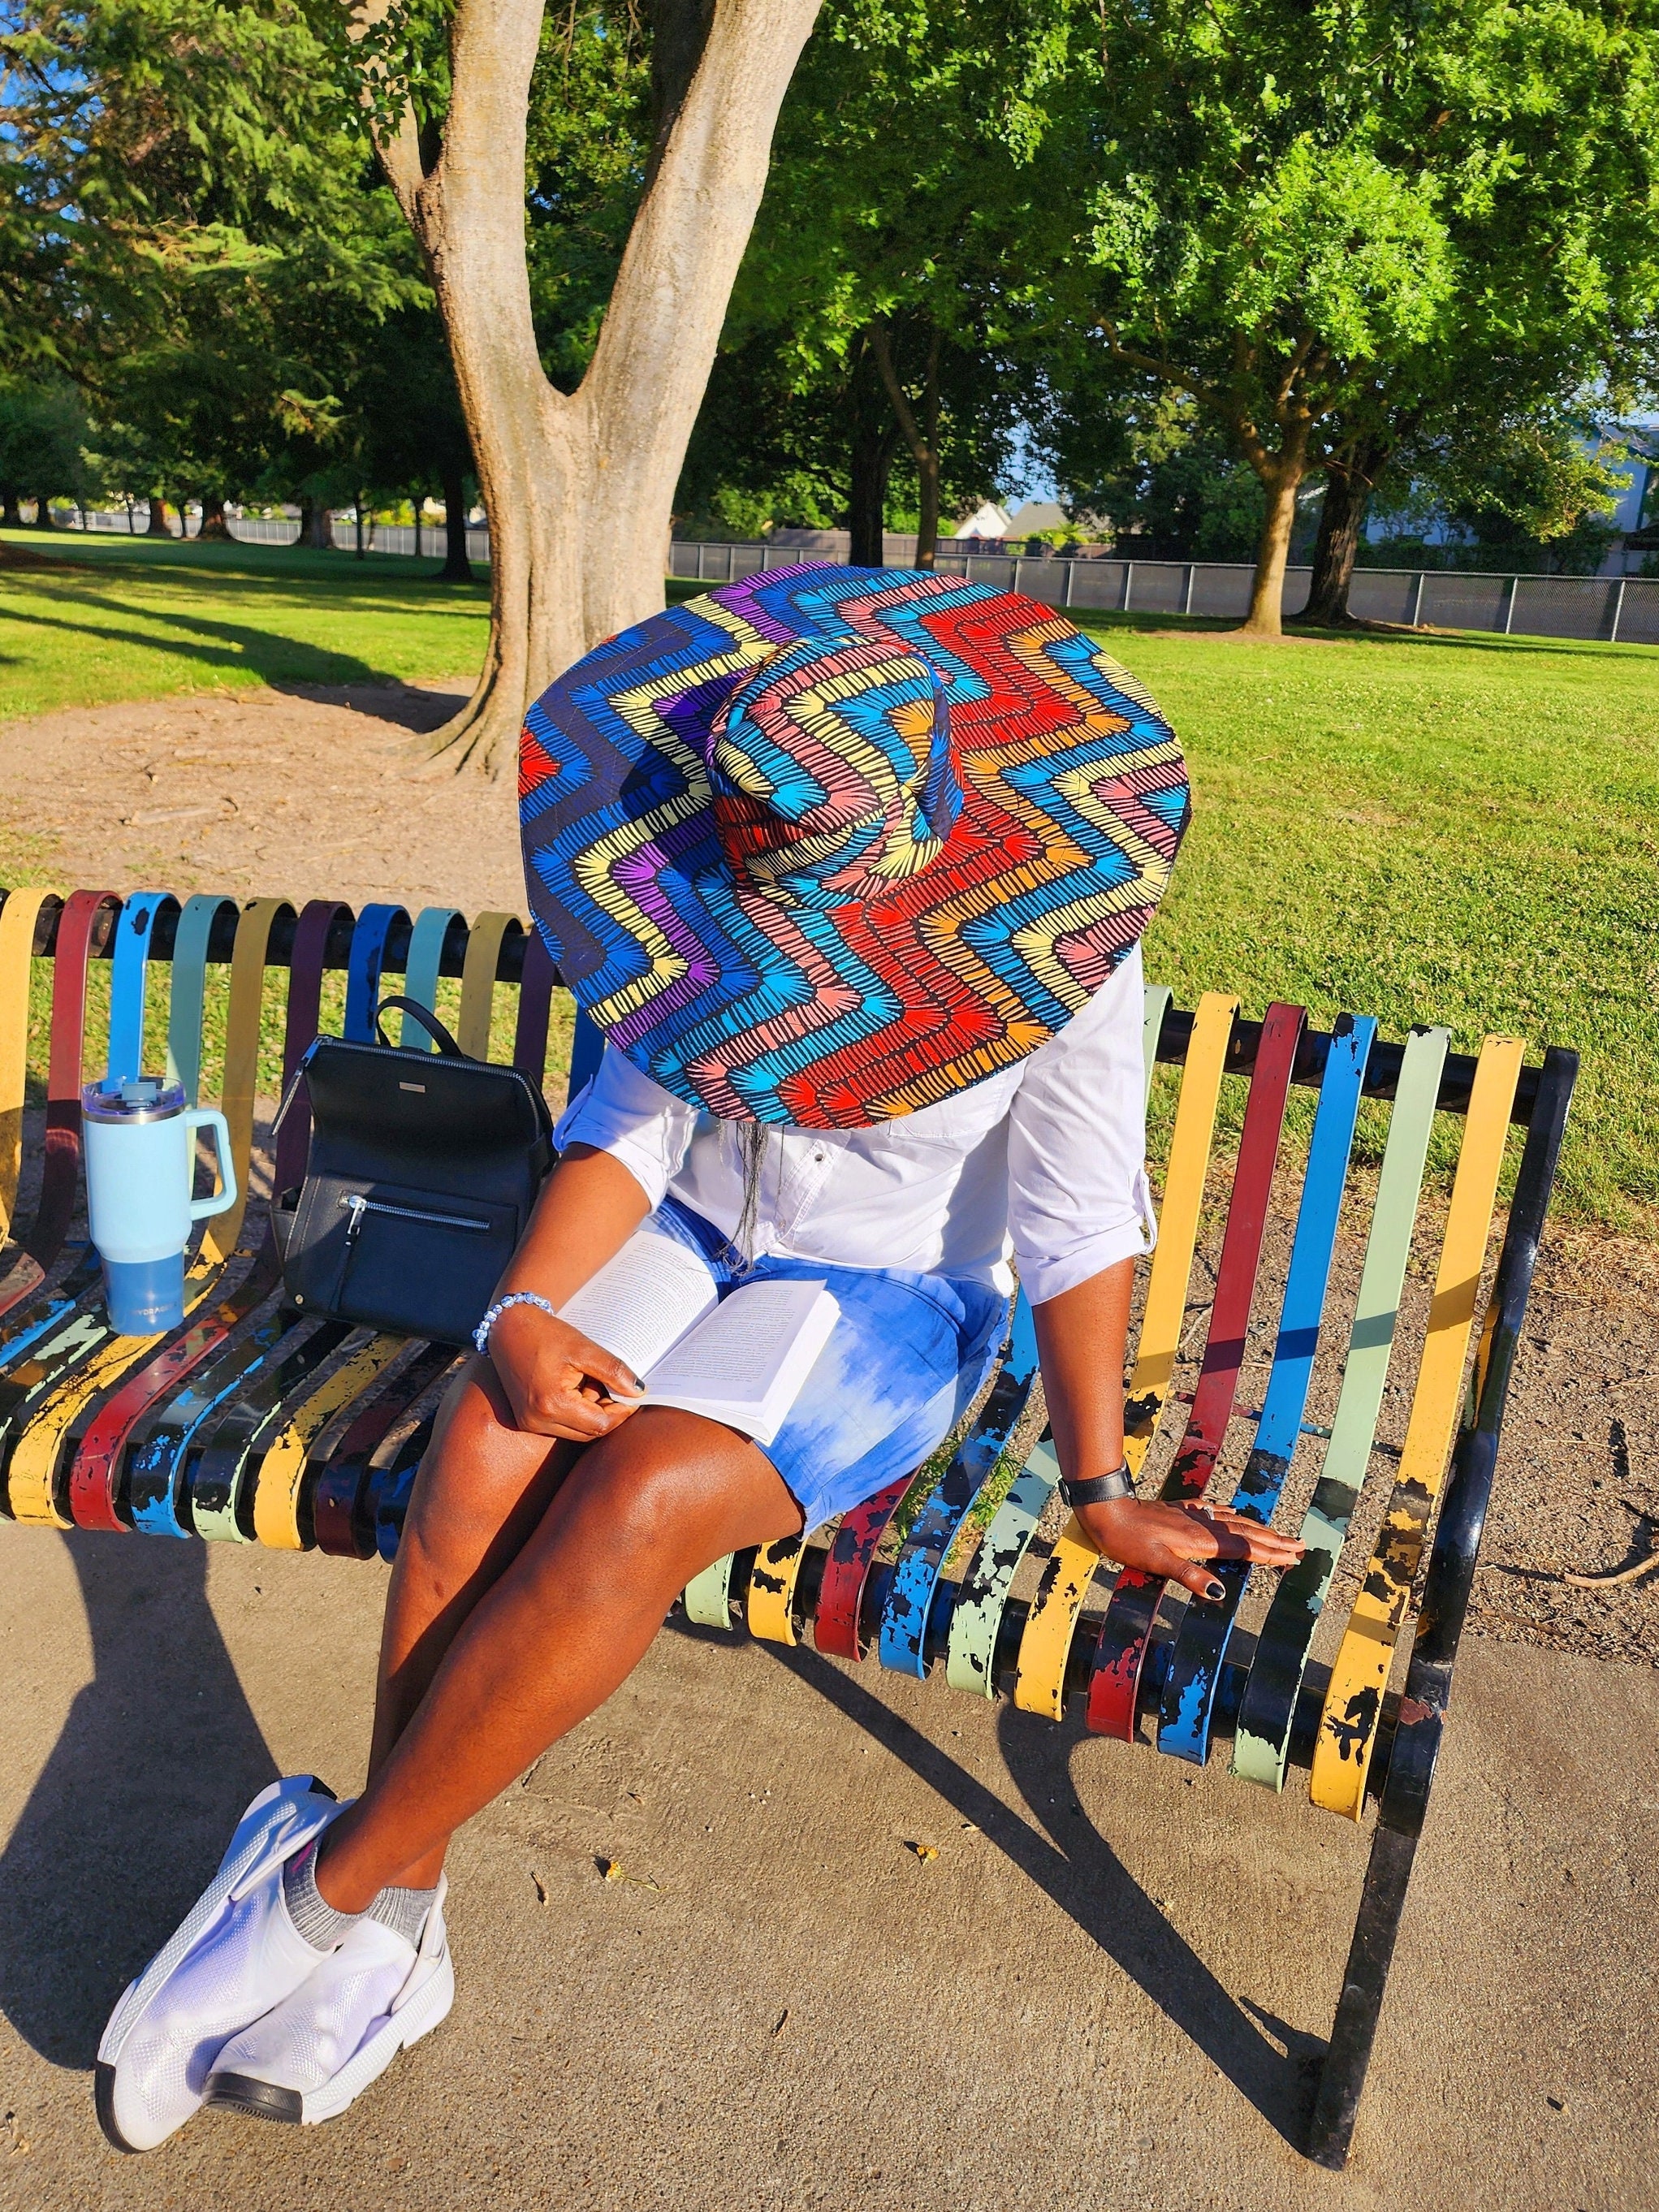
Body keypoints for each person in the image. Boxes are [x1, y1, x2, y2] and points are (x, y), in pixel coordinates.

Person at [96, 566, 1303, 2151]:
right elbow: (625, 1133)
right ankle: (403, 1925)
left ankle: (314, 1900)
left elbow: (1080, 1225)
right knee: (483, 1436)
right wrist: (518, 1320)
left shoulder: (1046, 945)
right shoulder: (681, 879)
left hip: (892, 1294)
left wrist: (1096, 1487)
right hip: (695, 1237)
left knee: (645, 1491)